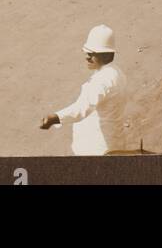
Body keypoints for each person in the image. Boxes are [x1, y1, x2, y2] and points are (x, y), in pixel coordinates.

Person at [39, 25, 131, 155]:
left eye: (92, 54)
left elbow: (81, 109)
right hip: (113, 143)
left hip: (96, 150)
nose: (87, 57)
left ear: (106, 55)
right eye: (87, 52)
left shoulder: (102, 81)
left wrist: (55, 117)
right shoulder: (117, 73)